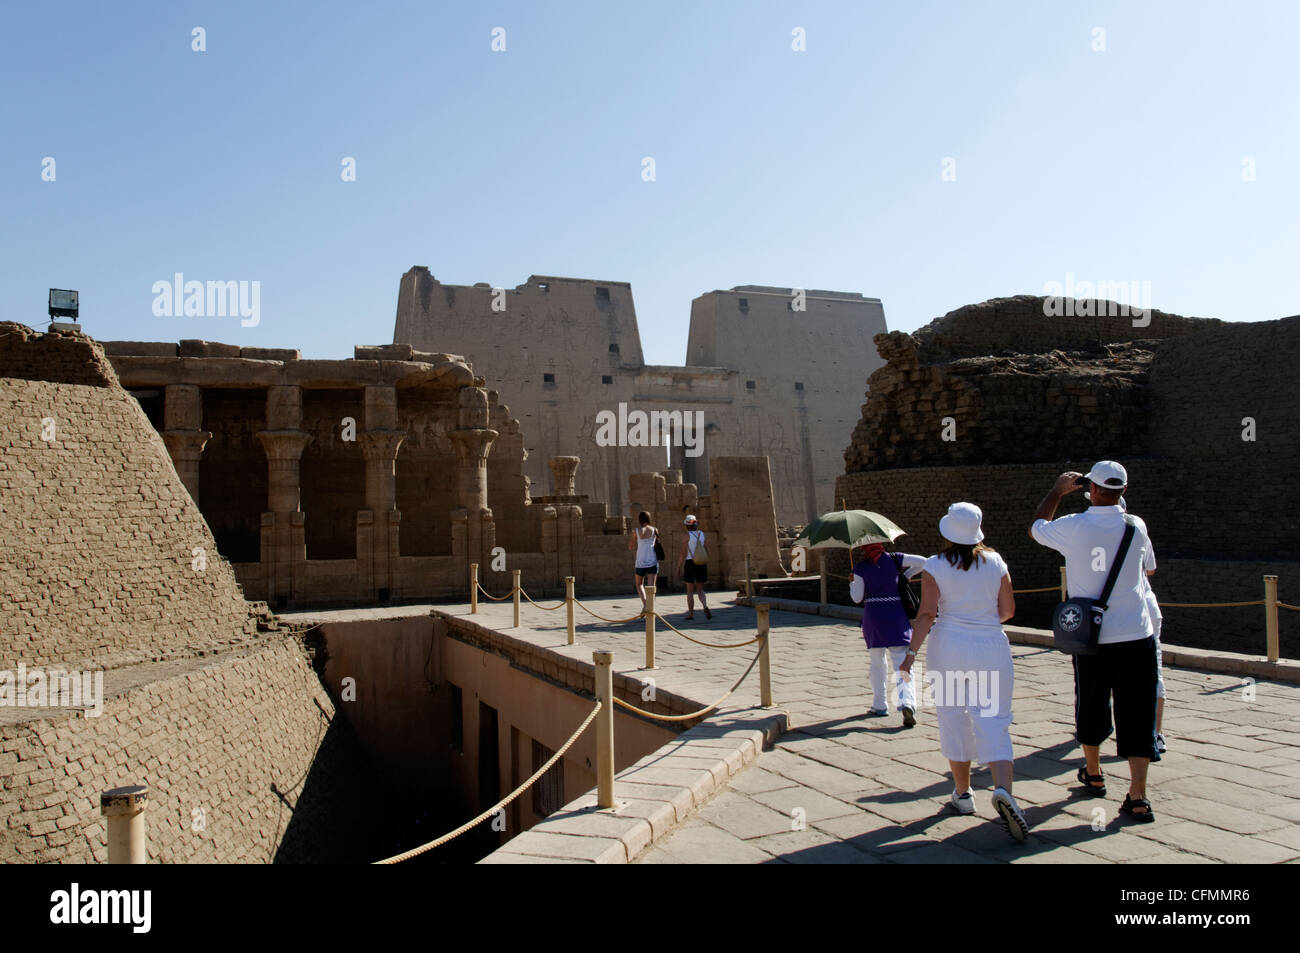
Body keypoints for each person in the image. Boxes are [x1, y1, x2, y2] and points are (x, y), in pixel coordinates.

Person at [1030, 461, 1159, 823]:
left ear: (1093, 488)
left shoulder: (1074, 526)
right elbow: (1149, 568)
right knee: (1138, 710)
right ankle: (1137, 794)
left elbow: (1037, 527)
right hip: (1135, 632)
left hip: (1093, 636)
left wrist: (1057, 490)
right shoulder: (1137, 526)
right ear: (1122, 490)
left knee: (1091, 701)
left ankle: (1094, 772)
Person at [900, 502, 1027, 841]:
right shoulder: (996, 562)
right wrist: (981, 623)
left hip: (949, 646)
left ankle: (963, 794)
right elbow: (1008, 610)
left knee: (954, 716)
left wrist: (910, 655)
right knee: (994, 719)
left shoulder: (935, 566)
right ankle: (1003, 790)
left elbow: (926, 615)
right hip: (991, 647)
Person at [849, 542, 924, 726]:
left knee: (877, 663)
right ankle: (907, 702)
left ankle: (880, 704)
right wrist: (905, 575)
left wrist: (852, 581)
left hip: (873, 617)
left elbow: (857, 598)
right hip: (896, 615)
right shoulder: (894, 558)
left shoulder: (860, 568)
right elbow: (924, 562)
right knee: (902, 662)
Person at [675, 515, 712, 621]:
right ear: (696, 524)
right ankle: (705, 606)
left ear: (686, 525)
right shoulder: (702, 534)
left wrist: (678, 567)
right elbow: (706, 548)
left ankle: (691, 614)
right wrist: (706, 560)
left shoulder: (687, 536)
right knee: (700, 589)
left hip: (690, 562)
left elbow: (683, 553)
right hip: (701, 562)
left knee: (690, 591)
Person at [627, 511, 660, 609]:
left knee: (639, 584)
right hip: (652, 560)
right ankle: (650, 607)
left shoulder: (636, 531)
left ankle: (646, 605)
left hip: (640, 561)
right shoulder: (655, 530)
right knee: (651, 587)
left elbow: (631, 546)